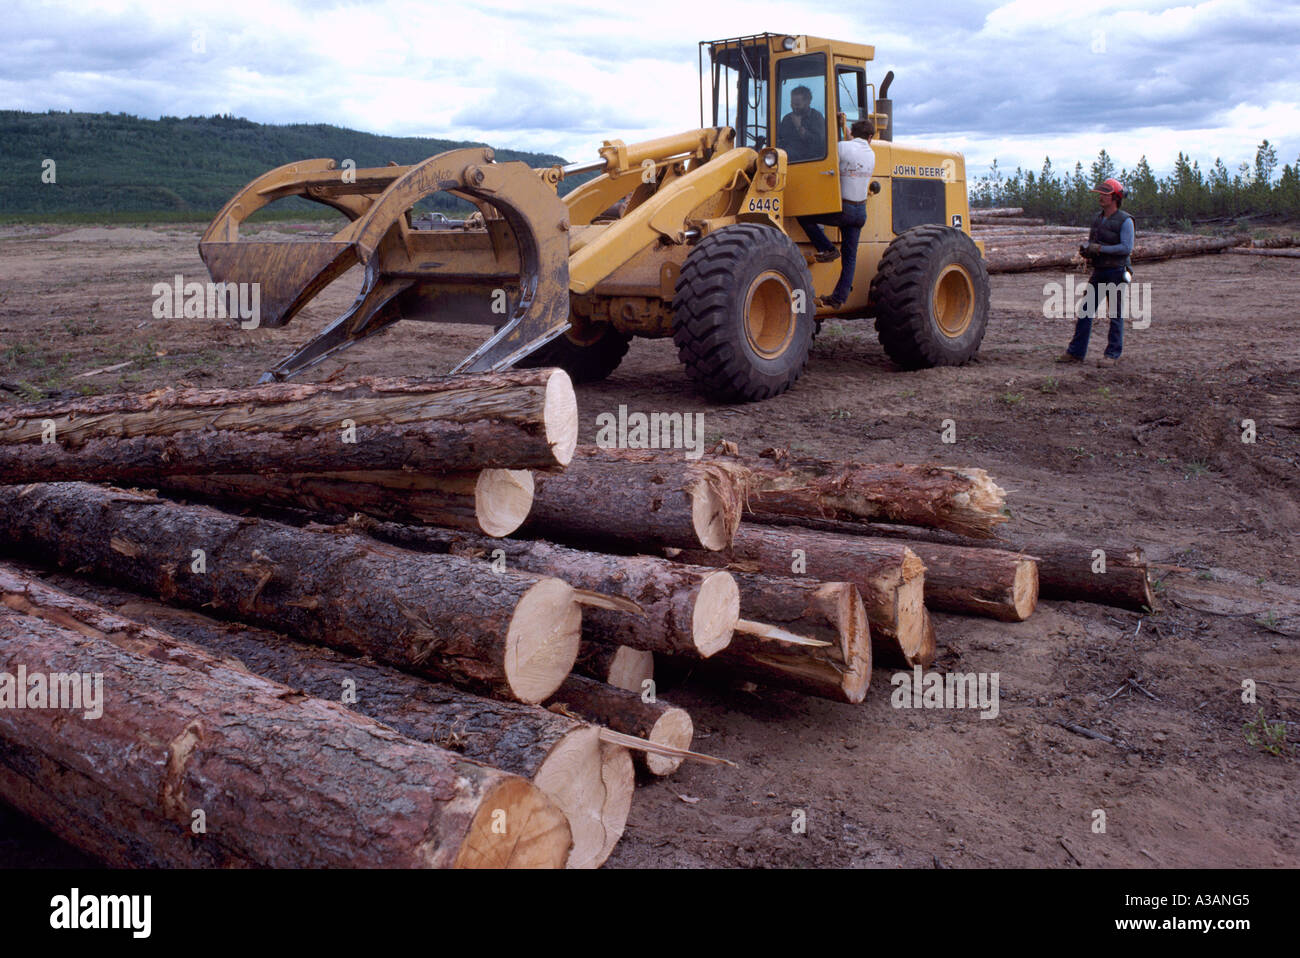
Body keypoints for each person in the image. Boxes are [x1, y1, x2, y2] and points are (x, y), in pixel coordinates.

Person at [795, 117, 876, 309]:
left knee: (804, 217)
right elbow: (853, 142)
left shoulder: (842, 148)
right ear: (870, 137)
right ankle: (839, 299)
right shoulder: (871, 154)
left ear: (853, 134)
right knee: (850, 258)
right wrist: (844, 126)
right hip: (860, 212)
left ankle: (828, 249)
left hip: (844, 209)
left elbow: (838, 151)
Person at [1057, 177, 1135, 367]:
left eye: (1105, 194)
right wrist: (1087, 252)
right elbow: (1095, 244)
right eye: (1100, 194)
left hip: (1117, 271)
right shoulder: (1098, 218)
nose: (1100, 197)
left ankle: (1112, 355)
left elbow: (1126, 248)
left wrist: (1099, 250)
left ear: (1115, 197)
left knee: (1115, 314)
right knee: (1085, 311)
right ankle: (1076, 353)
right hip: (1100, 270)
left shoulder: (1126, 221)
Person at [778, 86, 826, 163]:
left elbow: (819, 143)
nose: (794, 107)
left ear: (808, 102)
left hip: (811, 162)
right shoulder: (787, 119)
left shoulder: (816, 117)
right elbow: (780, 140)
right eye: (792, 103)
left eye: (797, 104)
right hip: (787, 162)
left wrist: (799, 128)